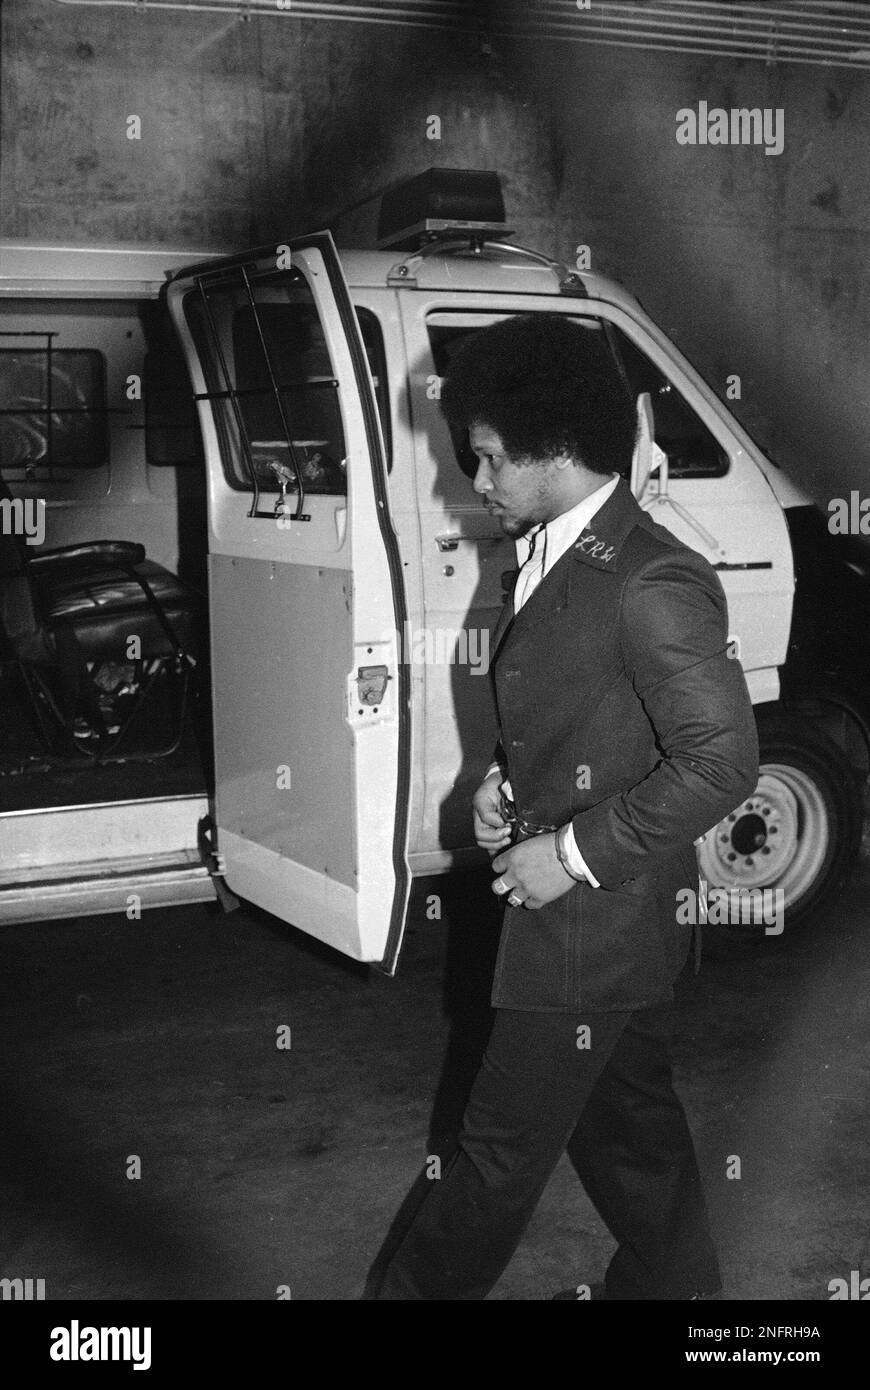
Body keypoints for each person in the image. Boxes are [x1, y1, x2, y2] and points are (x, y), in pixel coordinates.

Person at [369, 313, 759, 1301]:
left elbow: (721, 763)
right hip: (603, 939)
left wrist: (571, 851)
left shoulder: (653, 578)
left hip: (587, 932)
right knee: (629, 1129)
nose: (478, 480)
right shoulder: (555, 549)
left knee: (489, 1165)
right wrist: (513, 795)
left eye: (489, 457)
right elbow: (583, 721)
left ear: (551, 446)